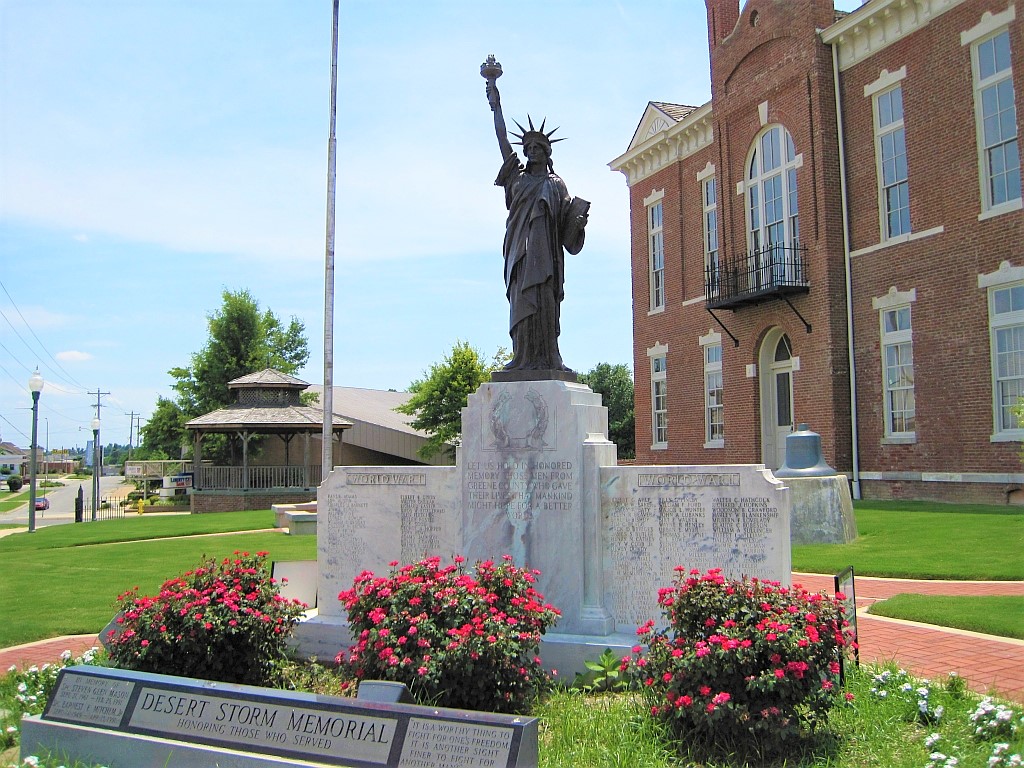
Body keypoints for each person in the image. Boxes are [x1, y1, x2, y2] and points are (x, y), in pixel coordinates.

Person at [485, 78, 588, 374]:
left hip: (546, 260)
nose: (531, 151)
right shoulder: (517, 179)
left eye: (537, 147)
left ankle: (549, 357)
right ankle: (521, 358)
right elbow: (503, 142)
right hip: (520, 253)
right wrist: (496, 105)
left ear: (547, 152)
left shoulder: (556, 185)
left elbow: (568, 229)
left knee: (545, 305)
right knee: (520, 304)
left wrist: (578, 223)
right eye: (527, 147)